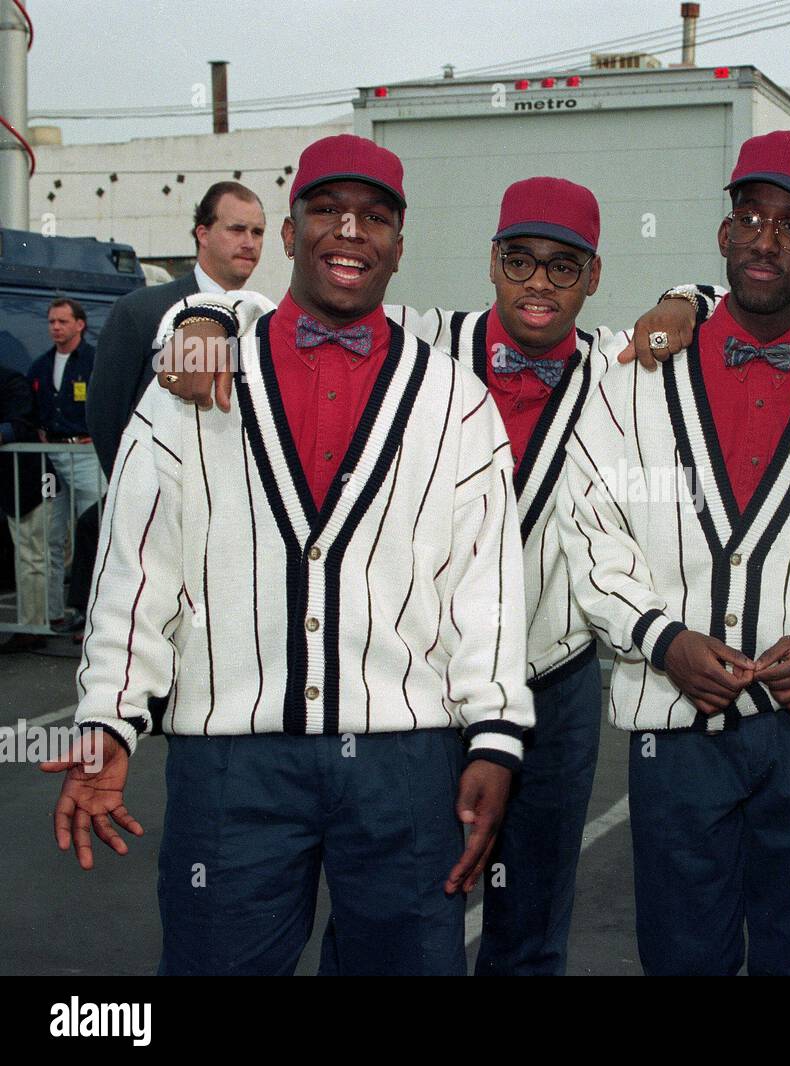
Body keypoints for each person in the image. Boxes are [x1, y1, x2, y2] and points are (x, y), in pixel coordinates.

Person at [151, 178, 716, 976]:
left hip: (551, 688)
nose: (539, 285)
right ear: (491, 261)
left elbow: (747, 296)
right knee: (391, 915)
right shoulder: (425, 341)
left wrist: (687, 297)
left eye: (564, 267)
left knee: (532, 917)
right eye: (520, 261)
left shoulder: (620, 371)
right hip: (413, 697)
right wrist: (198, 315)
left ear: (593, 277)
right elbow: (269, 314)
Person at [41, 133, 533, 977]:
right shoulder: (189, 385)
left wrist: (493, 736)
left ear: (400, 245)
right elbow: (137, 567)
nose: (350, 232)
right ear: (291, 231)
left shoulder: (455, 401)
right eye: (327, 211)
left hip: (405, 759)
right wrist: (111, 717)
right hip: (233, 758)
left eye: (374, 217)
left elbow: (483, 587)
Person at [559, 131, 790, 975]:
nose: (767, 239)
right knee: (683, 953)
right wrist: (661, 637)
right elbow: (591, 527)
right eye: (751, 217)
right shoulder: (637, 376)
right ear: (725, 233)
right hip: (671, 730)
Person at [86, 180, 265, 476]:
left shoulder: (262, 321)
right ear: (203, 234)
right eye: (237, 229)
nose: (249, 242)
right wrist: (137, 492)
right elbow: (106, 415)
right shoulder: (140, 311)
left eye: (257, 232)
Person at [26, 299, 104, 637]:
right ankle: (53, 615)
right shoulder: (41, 366)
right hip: (52, 461)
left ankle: (94, 616)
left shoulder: (95, 361)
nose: (55, 327)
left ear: (79, 325)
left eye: (62, 321)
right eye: (51, 322)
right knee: (51, 536)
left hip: (86, 455)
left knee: (95, 534)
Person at [0, 362, 48, 652]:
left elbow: (20, 423)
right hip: (17, 484)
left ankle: (34, 625)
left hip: (31, 482)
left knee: (35, 553)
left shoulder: (12, 380)